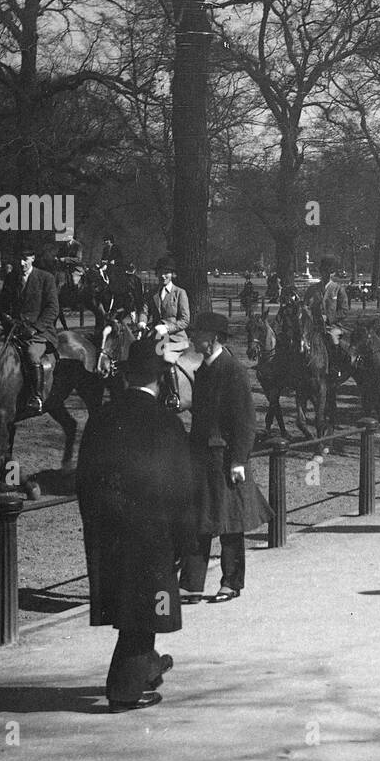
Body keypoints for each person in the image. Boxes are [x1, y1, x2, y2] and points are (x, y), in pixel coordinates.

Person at [75, 336, 196, 712]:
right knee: (144, 608)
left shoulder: (101, 419)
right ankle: (125, 689)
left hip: (107, 531)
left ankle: (147, 665)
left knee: (134, 604)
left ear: (126, 378)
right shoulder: (167, 423)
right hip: (153, 532)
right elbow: (181, 488)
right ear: (160, 381)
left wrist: (95, 525)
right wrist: (184, 540)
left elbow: (84, 480)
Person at [178, 311, 273, 605]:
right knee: (198, 520)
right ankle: (191, 586)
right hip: (201, 457)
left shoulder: (233, 370)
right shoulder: (204, 369)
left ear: (213, 338)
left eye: (199, 334)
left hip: (225, 459)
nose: (194, 338)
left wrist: (239, 461)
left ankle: (231, 582)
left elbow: (246, 421)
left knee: (229, 523)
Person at [0, 244, 60, 414]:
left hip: (40, 333)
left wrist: (35, 328)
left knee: (32, 354)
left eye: (25, 259)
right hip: (15, 330)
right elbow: (1, 306)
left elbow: (52, 309)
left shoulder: (46, 278)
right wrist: (8, 322)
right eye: (19, 259)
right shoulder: (11, 278)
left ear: (33, 259)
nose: (21, 263)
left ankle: (37, 396)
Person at [143, 257, 191, 336]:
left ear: (172, 274)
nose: (163, 276)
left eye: (166, 273)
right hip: (155, 334)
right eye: (160, 272)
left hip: (175, 336)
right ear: (156, 273)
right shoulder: (151, 293)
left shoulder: (180, 293)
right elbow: (145, 311)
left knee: (164, 348)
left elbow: (185, 320)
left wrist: (167, 328)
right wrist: (142, 321)